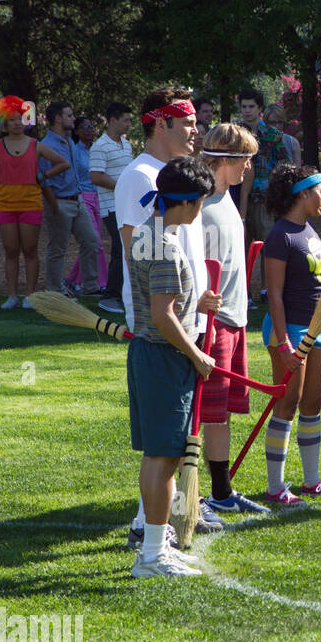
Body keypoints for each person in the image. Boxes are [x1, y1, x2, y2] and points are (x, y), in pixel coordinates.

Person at [116, 87, 224, 546]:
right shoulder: (141, 177)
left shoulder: (178, 176)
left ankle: (175, 519)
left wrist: (194, 301)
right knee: (164, 444)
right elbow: (139, 251)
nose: (196, 129)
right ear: (160, 123)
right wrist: (172, 311)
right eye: (187, 122)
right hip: (163, 326)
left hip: (180, 315)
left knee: (174, 439)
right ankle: (149, 527)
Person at [126, 155, 219, 577]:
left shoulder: (149, 232)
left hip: (151, 353)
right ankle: (152, 556)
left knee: (159, 455)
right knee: (163, 456)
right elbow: (162, 315)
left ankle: (154, 545)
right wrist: (196, 354)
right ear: (190, 203)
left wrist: (193, 305)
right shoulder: (164, 245)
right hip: (164, 356)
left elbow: (163, 306)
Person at [198, 122, 270, 515]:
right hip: (213, 324)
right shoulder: (202, 204)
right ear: (227, 159)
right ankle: (189, 495)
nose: (249, 168)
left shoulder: (226, 198)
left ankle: (221, 493)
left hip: (235, 319)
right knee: (201, 412)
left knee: (222, 410)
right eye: (246, 160)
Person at [259, 163, 321, 503]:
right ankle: (276, 487)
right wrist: (284, 344)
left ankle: (312, 481)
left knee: (314, 403)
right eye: (320, 190)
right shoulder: (280, 235)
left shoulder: (308, 230)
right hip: (288, 329)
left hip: (316, 328)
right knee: (288, 403)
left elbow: (319, 287)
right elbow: (274, 295)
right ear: (302, 193)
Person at [0, 97, 69, 309]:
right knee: (10, 251)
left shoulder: (35, 144)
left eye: (20, 119)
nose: (17, 123)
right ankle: (12, 296)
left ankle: (30, 295)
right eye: (12, 120)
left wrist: (43, 175)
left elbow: (63, 163)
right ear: (4, 123)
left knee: (30, 250)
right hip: (5, 204)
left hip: (30, 202)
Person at [39, 101, 101, 296]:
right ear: (58, 118)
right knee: (58, 249)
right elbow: (42, 179)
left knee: (91, 241)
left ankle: (90, 286)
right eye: (70, 115)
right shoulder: (46, 145)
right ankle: (55, 290)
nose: (73, 119)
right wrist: (53, 205)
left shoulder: (70, 141)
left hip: (78, 199)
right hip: (59, 202)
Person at [89, 101, 134, 314]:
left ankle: (122, 293)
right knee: (120, 249)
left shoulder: (126, 144)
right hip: (111, 207)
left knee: (126, 249)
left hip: (126, 205)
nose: (129, 124)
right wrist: (123, 187)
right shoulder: (99, 146)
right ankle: (111, 296)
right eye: (125, 120)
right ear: (113, 120)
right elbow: (95, 176)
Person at [237, 88, 291, 254]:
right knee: (239, 252)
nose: (247, 110)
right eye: (244, 106)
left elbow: (284, 167)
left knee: (269, 253)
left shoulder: (273, 135)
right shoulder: (234, 134)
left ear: (260, 108)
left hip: (265, 202)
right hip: (237, 198)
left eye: (251, 106)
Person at [64, 116, 108, 295]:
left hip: (99, 197)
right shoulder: (74, 149)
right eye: (85, 127)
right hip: (83, 197)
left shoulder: (96, 149)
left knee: (90, 243)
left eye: (91, 127)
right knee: (96, 242)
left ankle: (71, 280)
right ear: (77, 131)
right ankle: (102, 281)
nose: (89, 130)